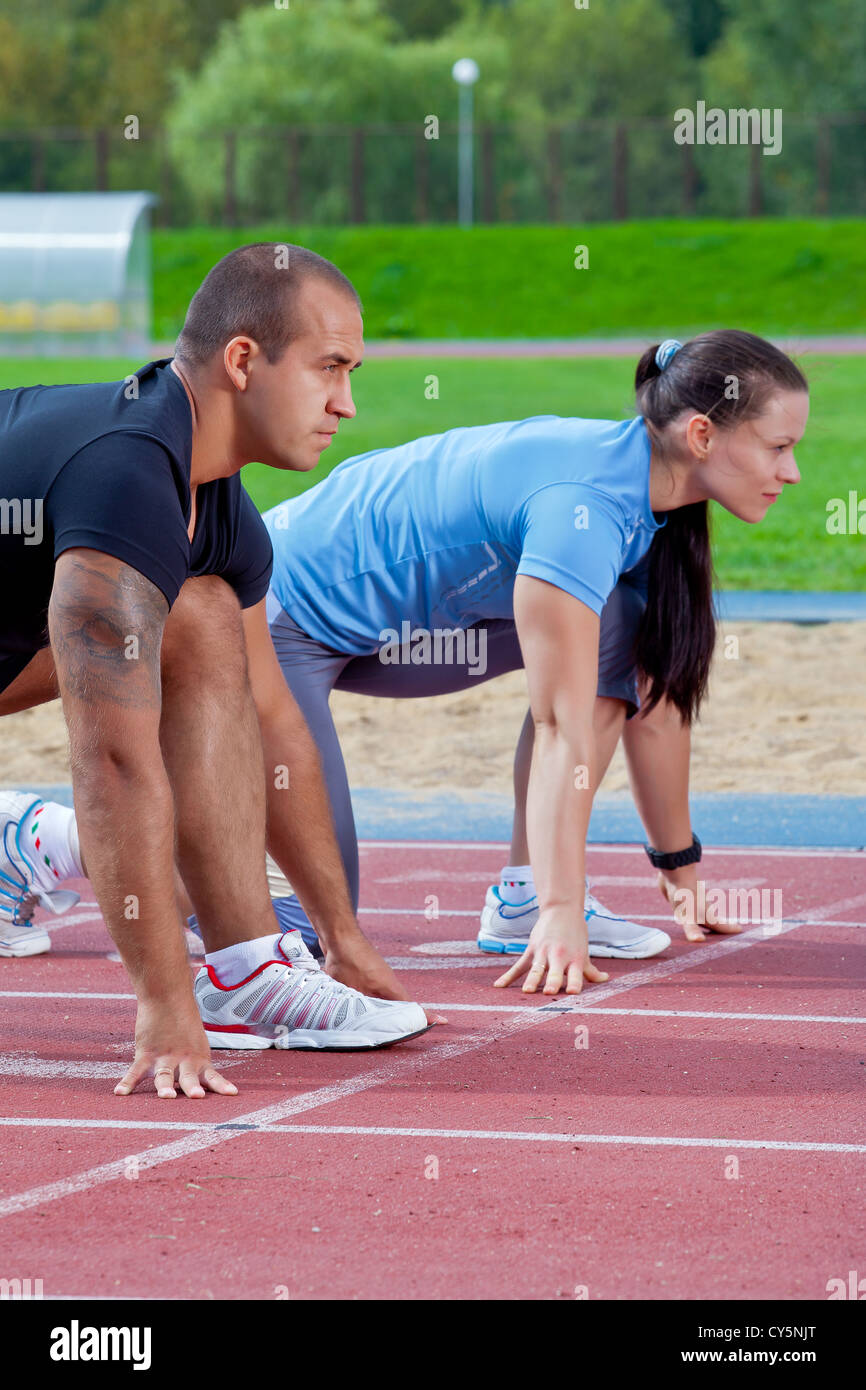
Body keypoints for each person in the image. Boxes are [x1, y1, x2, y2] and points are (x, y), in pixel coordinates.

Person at [249, 331, 808, 994]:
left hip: (397, 631)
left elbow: (655, 705)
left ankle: (519, 896)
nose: (792, 471)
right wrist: (562, 912)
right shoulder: (585, 511)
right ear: (702, 436)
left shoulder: (652, 501)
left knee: (622, 633)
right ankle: (102, 846)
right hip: (271, 617)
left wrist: (681, 875)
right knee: (310, 928)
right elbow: (558, 728)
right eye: (779, 447)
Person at [0, 243, 431, 1100]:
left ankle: (247, 970)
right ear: (242, 360)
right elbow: (113, 758)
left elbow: (272, 720)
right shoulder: (124, 474)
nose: (346, 404)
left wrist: (339, 936)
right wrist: (162, 1003)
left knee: (196, 613)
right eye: (330, 368)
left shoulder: (218, 504)